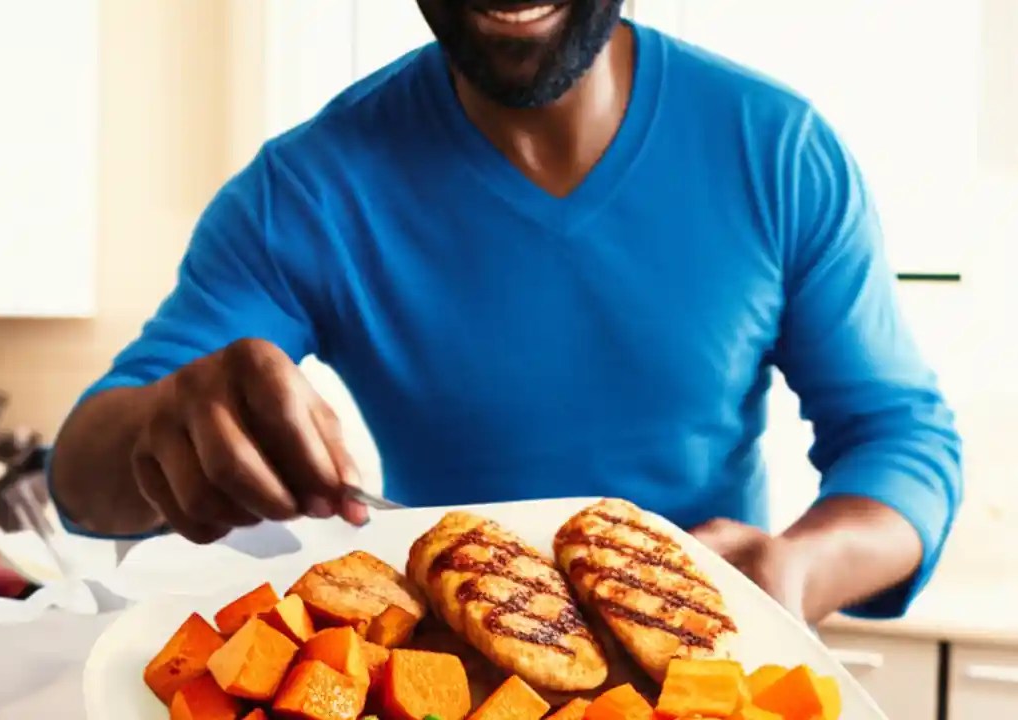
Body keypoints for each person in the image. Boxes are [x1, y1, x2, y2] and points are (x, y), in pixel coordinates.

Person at [50, 0, 962, 624]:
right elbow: (82, 477)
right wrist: (170, 424)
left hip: (710, 678)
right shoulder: (307, 191)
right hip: (455, 684)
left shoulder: (777, 150)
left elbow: (901, 441)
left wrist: (799, 568)